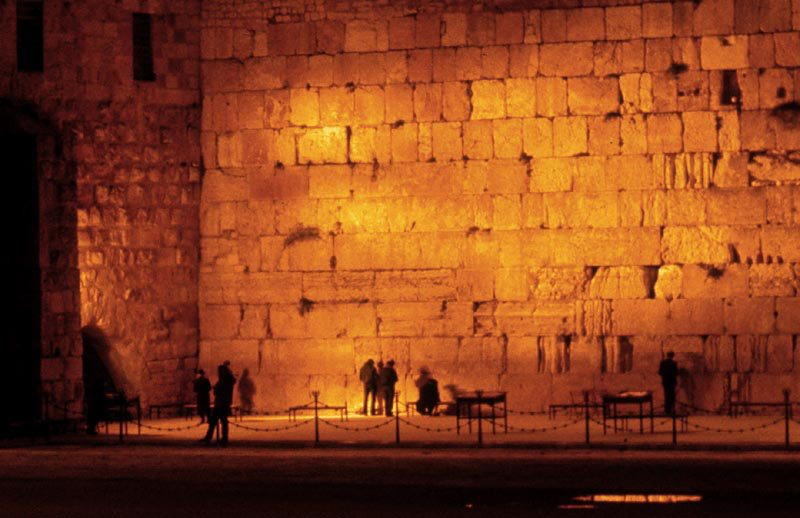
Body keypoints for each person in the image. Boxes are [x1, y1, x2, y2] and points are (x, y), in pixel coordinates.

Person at [201, 362, 237, 445]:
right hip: (224, 403)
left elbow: (219, 391)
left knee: (216, 421)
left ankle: (212, 437)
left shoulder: (224, 381)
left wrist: (216, 389)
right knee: (221, 421)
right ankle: (221, 438)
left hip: (221, 403)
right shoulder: (227, 380)